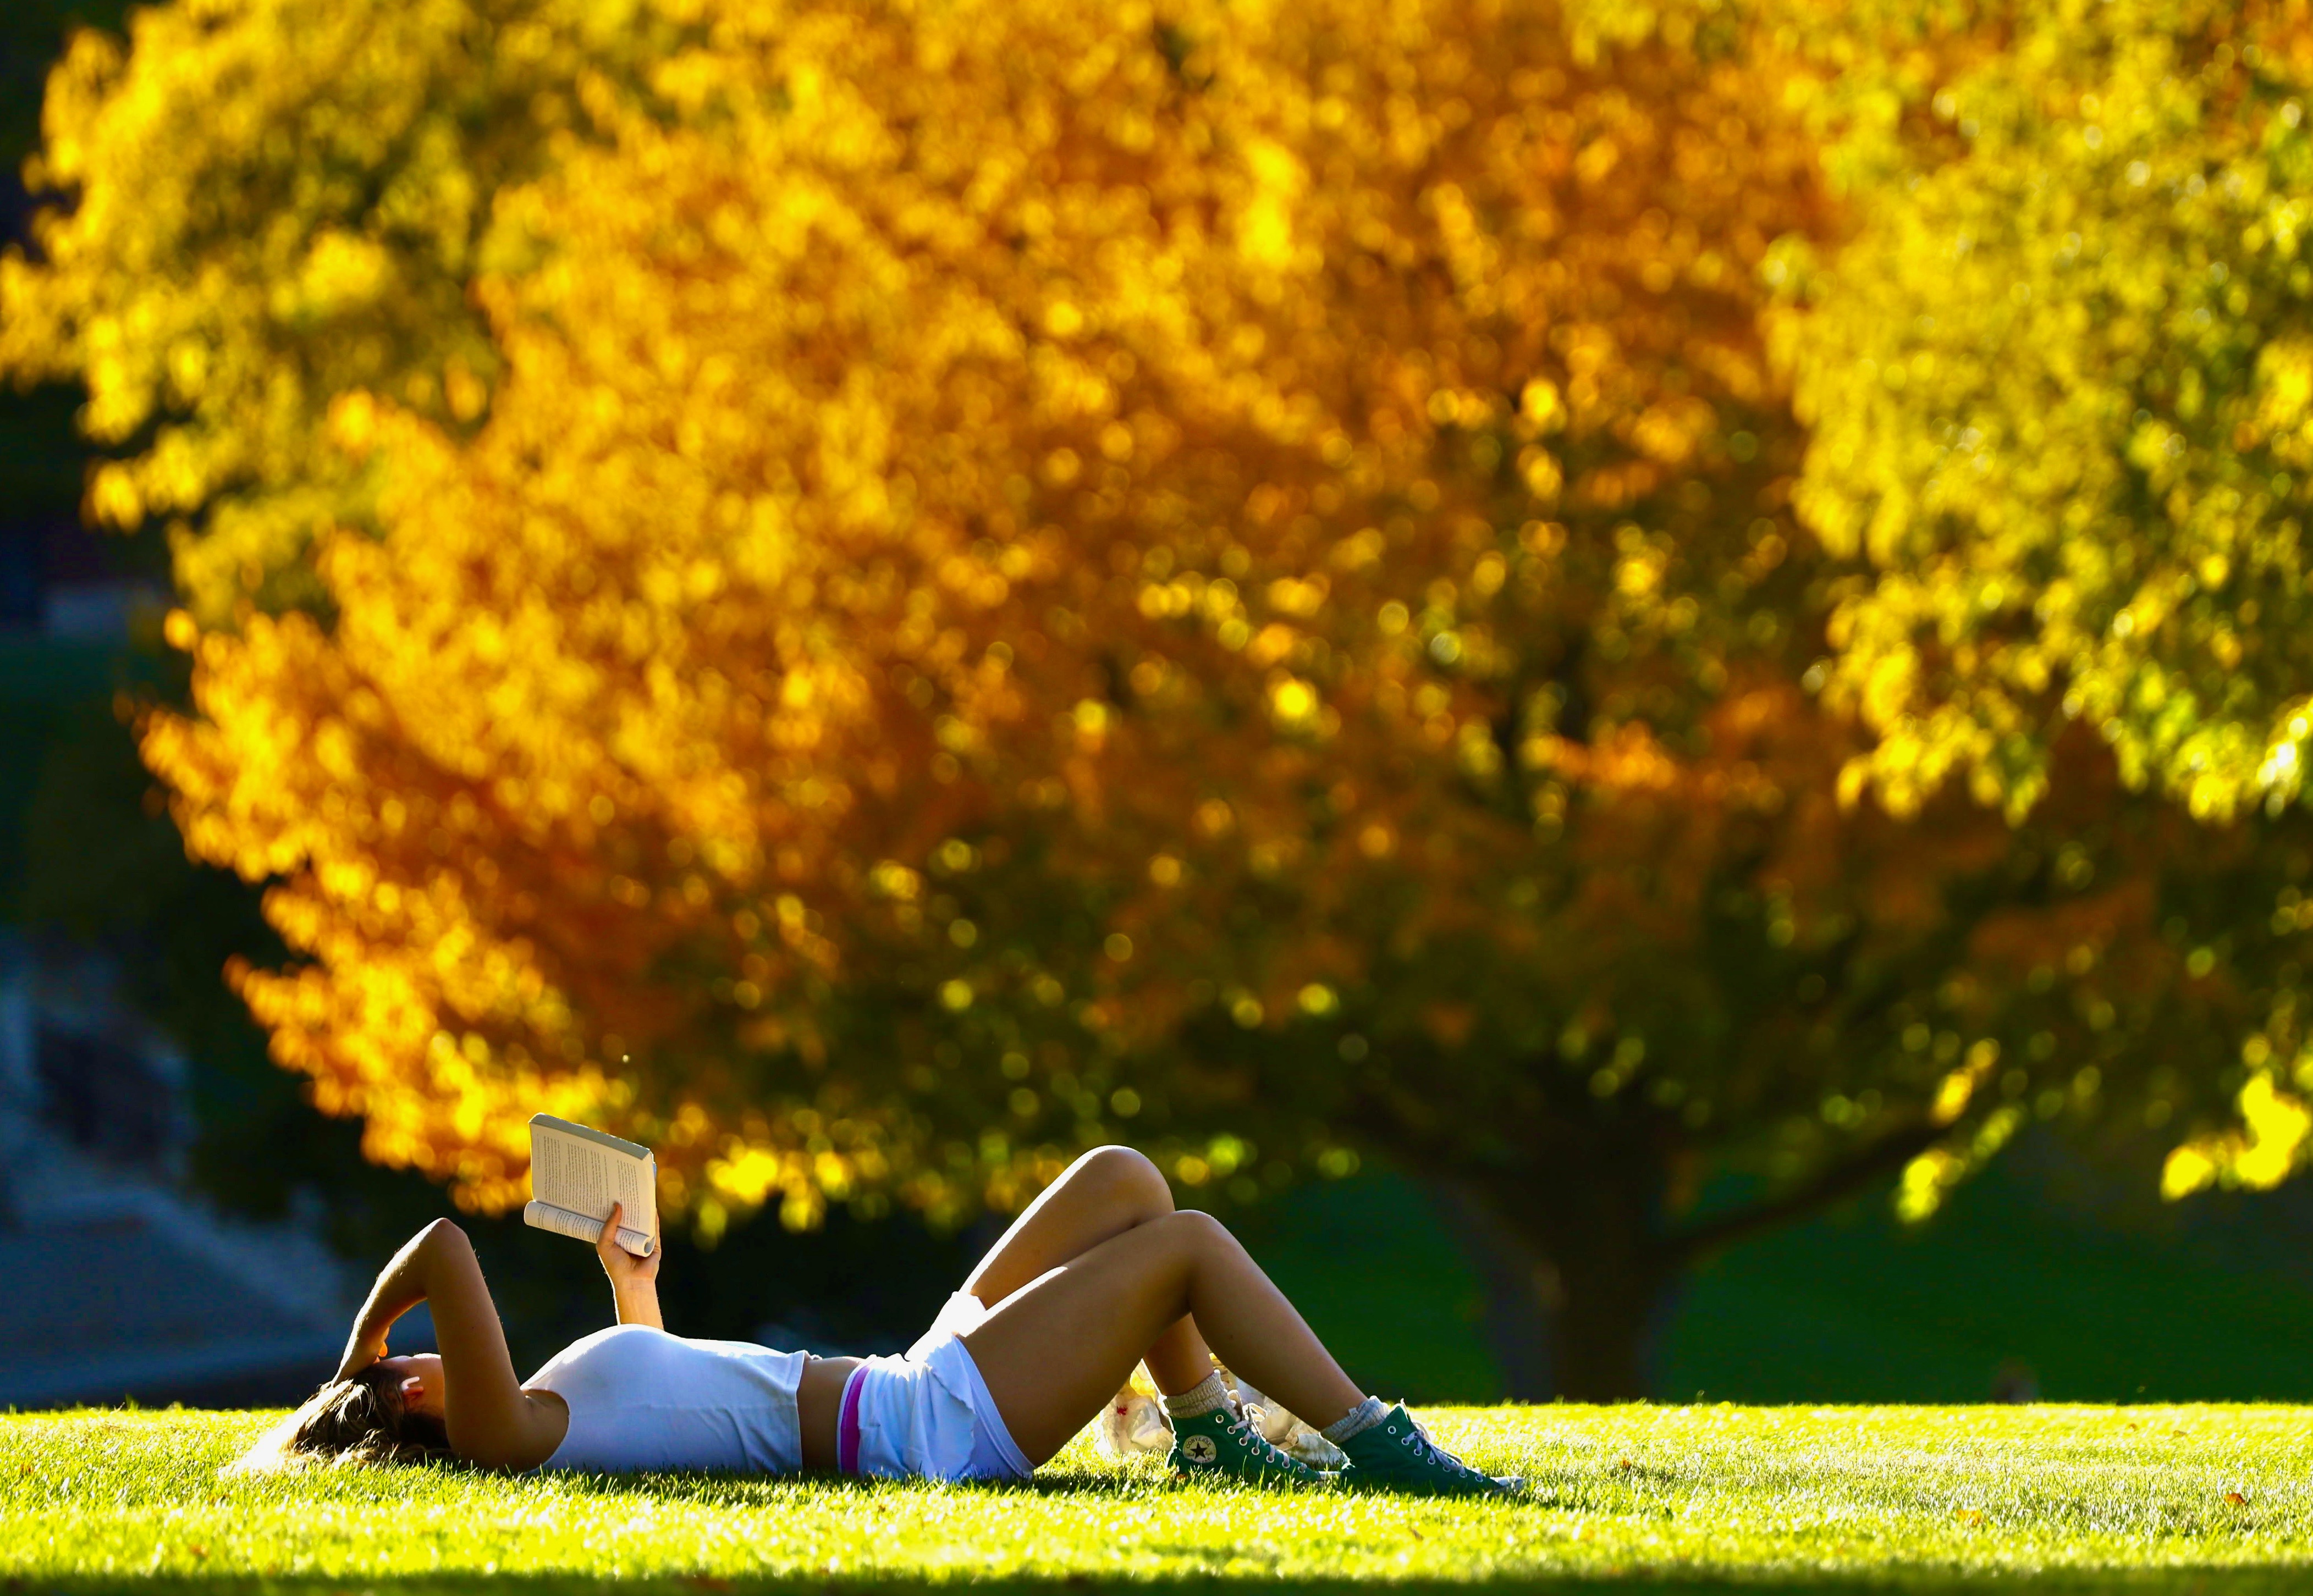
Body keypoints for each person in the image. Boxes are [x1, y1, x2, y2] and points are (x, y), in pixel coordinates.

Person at [233, 1144, 1511, 1495]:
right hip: (921, 1429)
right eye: (408, 1367)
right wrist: (355, 1352)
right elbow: (446, 1246)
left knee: (1125, 1180)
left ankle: (1209, 1434)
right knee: (1182, 1250)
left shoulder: (552, 1414)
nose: (423, 1358)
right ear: (407, 1393)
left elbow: (674, 1386)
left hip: (904, 1374)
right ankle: (1373, 1439)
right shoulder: (506, 1434)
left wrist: (633, 1280)